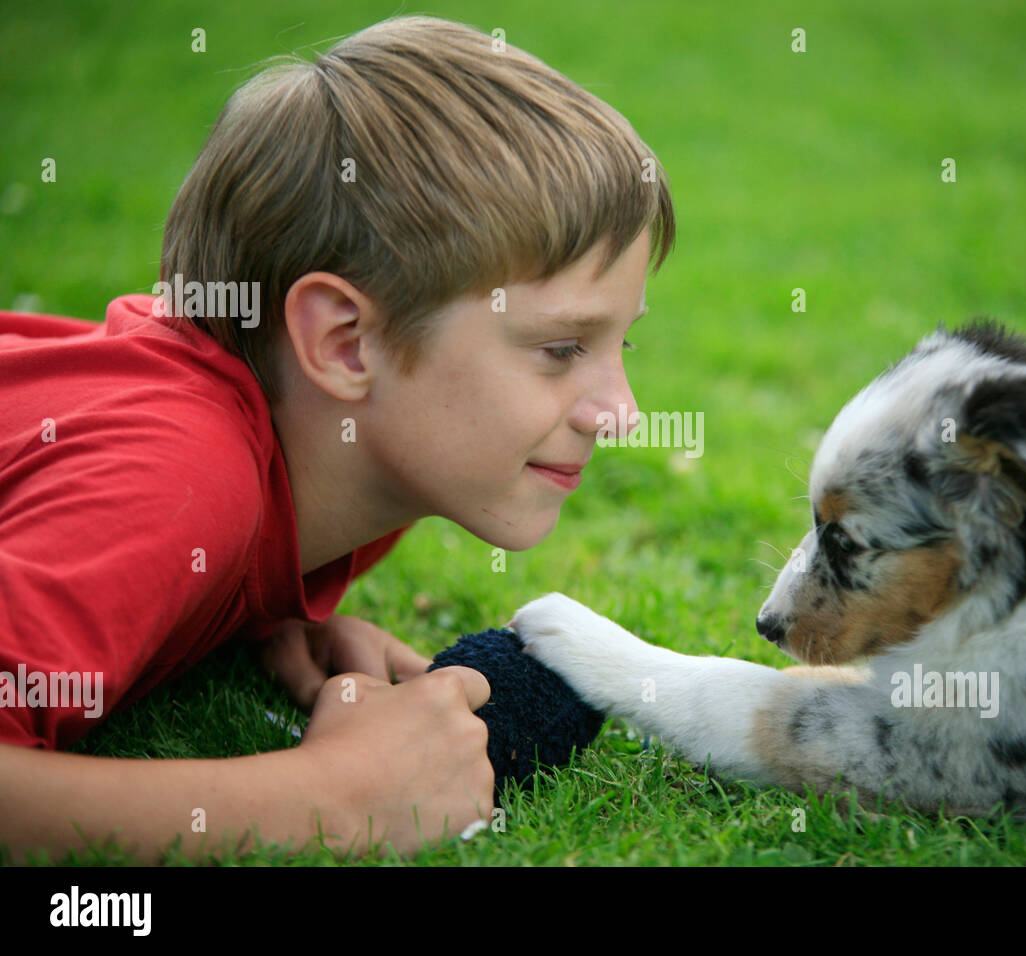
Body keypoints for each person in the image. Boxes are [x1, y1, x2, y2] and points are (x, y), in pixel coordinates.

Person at [0, 15, 674, 864]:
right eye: (560, 350)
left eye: (623, 344)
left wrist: (245, 611)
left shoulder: (337, 473)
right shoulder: (177, 474)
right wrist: (329, 799)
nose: (620, 412)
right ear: (345, 344)